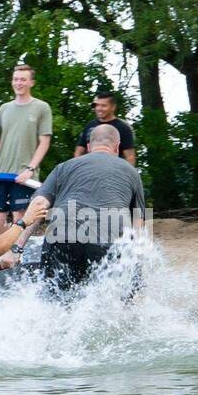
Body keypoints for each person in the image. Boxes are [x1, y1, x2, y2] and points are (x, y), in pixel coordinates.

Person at [13, 124, 146, 292]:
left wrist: (16, 247)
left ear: (89, 147)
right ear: (118, 147)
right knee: (110, 301)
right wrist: (136, 266)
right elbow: (138, 224)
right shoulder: (131, 172)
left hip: (62, 236)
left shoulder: (64, 167)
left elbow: (39, 205)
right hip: (108, 237)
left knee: (56, 299)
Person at [0, 64, 53, 233]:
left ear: (31, 83)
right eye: (15, 79)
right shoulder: (4, 108)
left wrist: (30, 168)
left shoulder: (41, 107)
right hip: (0, 173)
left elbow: (44, 141)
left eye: (23, 79)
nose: (18, 83)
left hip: (24, 175)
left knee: (19, 218)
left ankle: (18, 255)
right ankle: (10, 249)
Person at [74, 91, 137, 166]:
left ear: (113, 107)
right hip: (90, 169)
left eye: (103, 106)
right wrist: (76, 167)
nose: (99, 108)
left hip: (113, 170)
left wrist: (127, 174)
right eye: (97, 105)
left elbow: (130, 156)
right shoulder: (90, 126)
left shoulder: (123, 128)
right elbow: (79, 150)